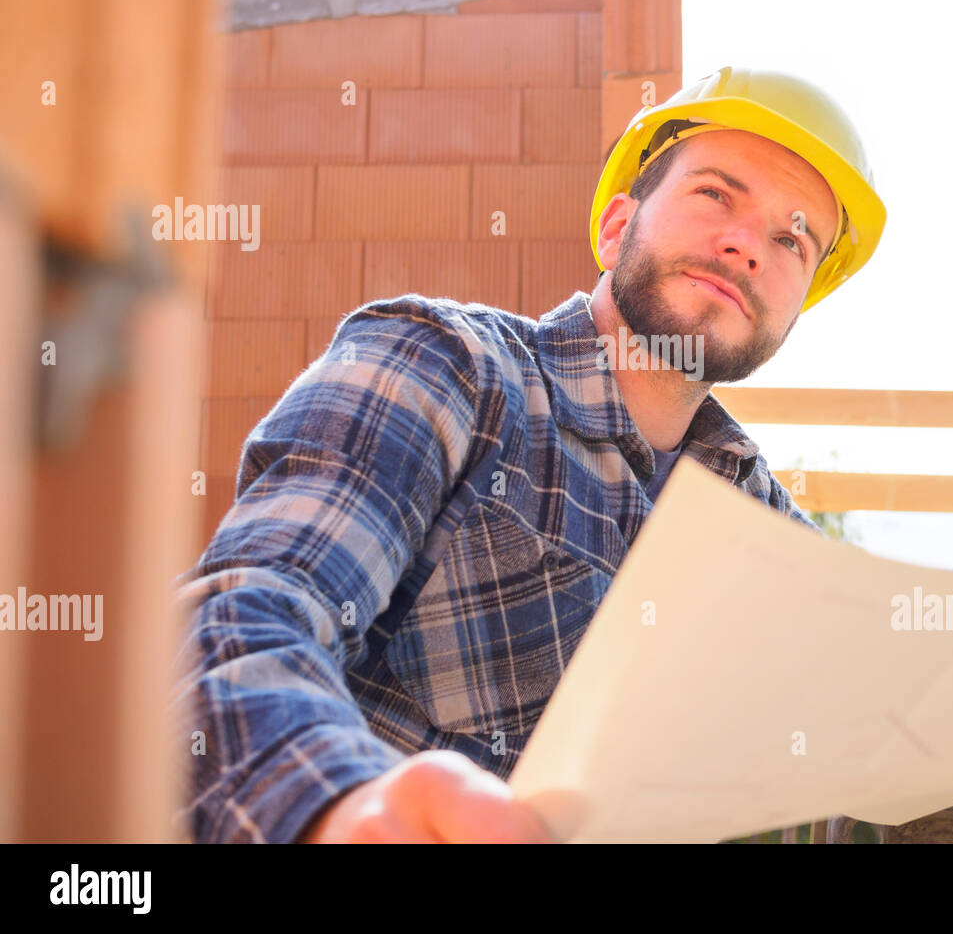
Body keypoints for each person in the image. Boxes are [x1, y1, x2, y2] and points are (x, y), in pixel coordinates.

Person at [171, 66, 888, 843]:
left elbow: (881, 722)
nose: (748, 244)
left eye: (793, 238)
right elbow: (244, 612)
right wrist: (332, 808)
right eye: (716, 194)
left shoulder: (766, 526)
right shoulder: (445, 367)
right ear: (617, 228)